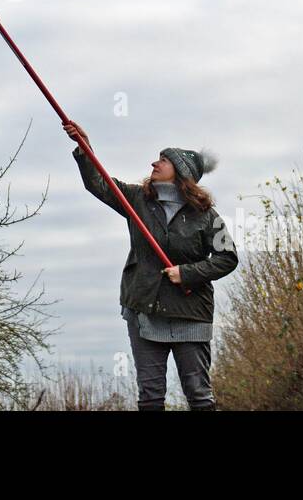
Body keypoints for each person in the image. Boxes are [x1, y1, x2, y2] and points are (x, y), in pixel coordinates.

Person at [63, 119, 238, 411]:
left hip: (190, 314)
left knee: (198, 394)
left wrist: (187, 273)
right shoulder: (136, 200)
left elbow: (227, 258)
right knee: (151, 396)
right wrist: (84, 146)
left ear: (181, 172)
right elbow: (99, 185)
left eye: (164, 160)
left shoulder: (207, 215)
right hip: (144, 309)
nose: (154, 163)